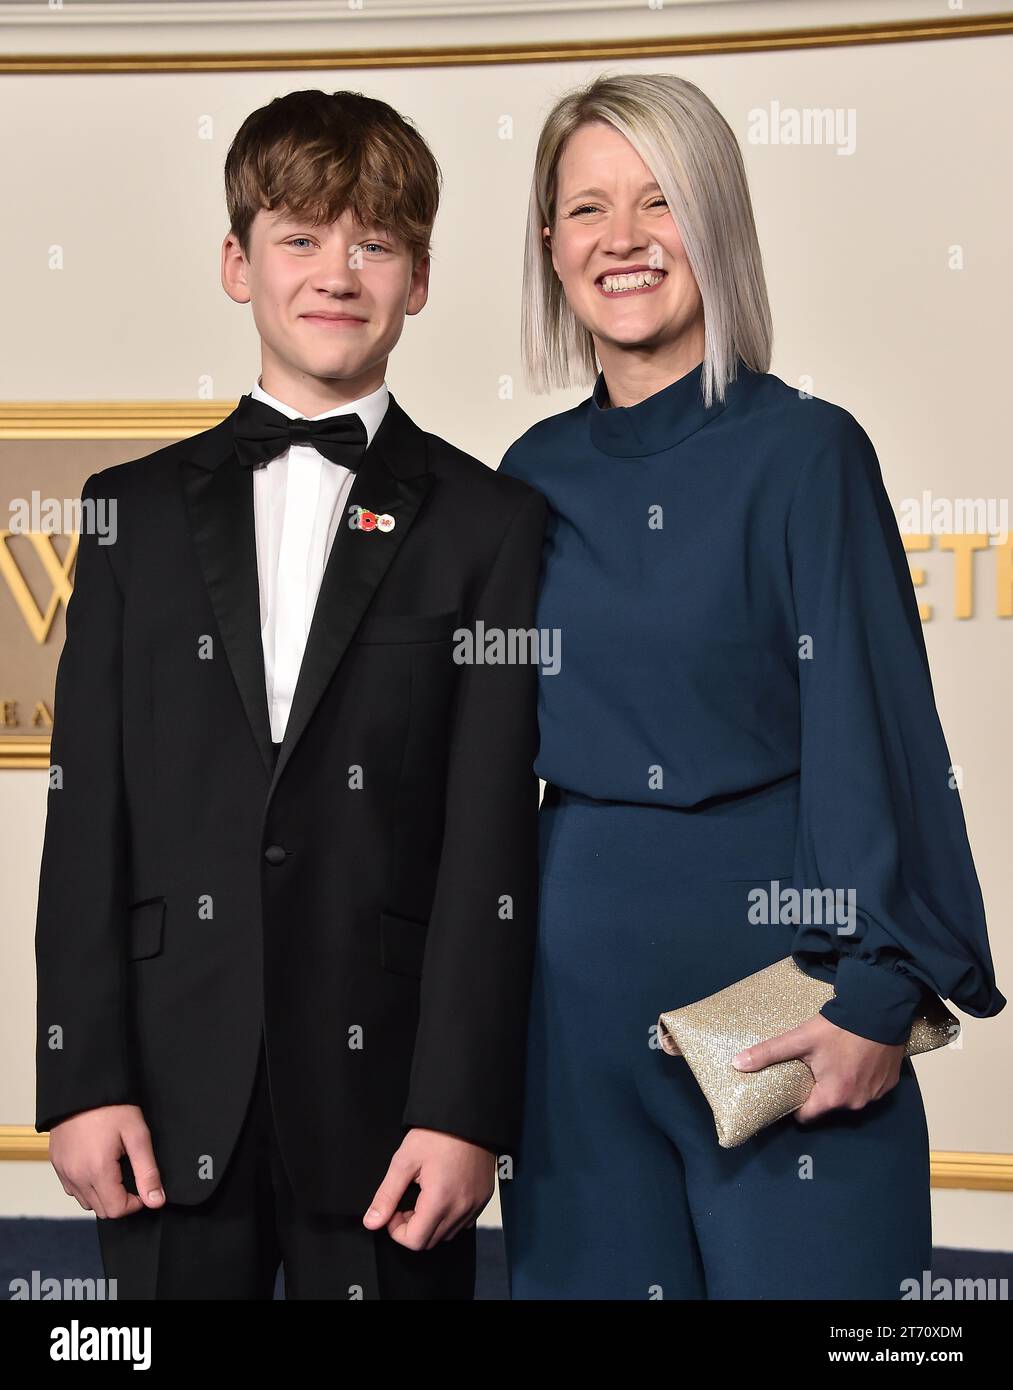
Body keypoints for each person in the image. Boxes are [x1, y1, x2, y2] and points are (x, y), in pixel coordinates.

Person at [496, 72, 1005, 1300]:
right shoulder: (527, 474)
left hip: (786, 1010)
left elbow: (877, 732)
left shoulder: (807, 452)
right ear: (550, 246)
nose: (620, 239)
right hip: (567, 1035)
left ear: (714, 224)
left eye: (658, 201)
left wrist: (878, 997)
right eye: (585, 210)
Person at [34, 88, 547, 1300]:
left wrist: (464, 1109)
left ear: (418, 278)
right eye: (300, 238)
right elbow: (83, 817)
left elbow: (490, 843)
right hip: (157, 1094)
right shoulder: (130, 514)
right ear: (236, 262)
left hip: (389, 1116)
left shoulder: (491, 524)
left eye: (374, 242)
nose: (336, 272)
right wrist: (81, 1075)